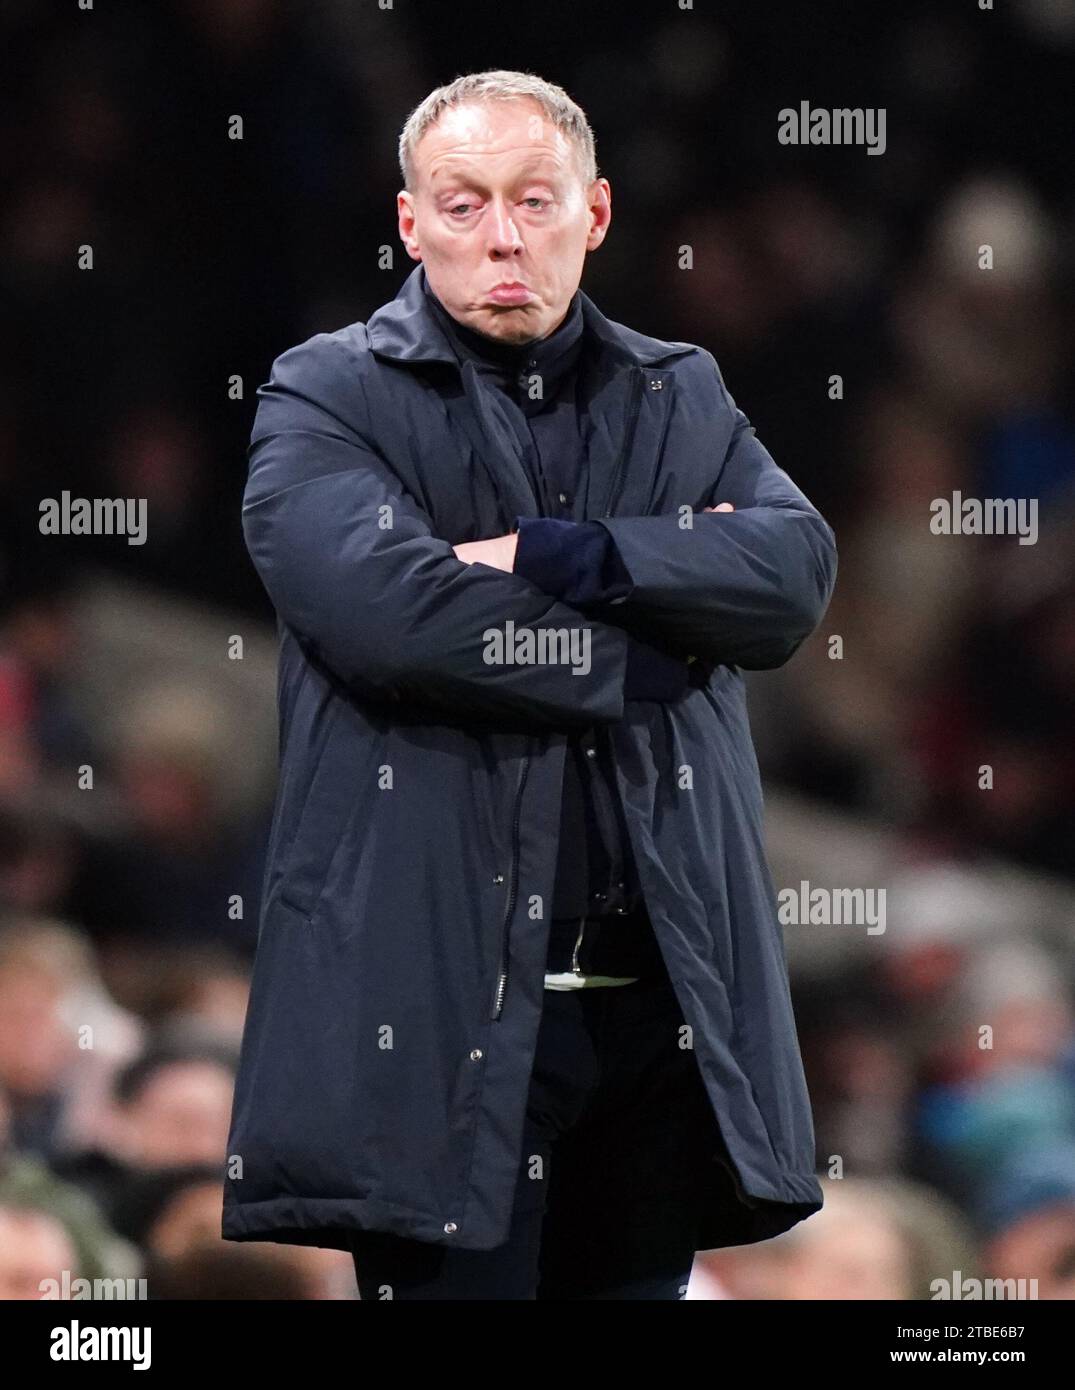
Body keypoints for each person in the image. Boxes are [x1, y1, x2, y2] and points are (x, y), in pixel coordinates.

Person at [221, 69, 838, 1300]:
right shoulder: (324, 391)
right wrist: (655, 643)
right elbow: (397, 620)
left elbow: (789, 576)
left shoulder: (683, 387)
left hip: (661, 1014)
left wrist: (566, 555)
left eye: (532, 200)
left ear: (594, 215)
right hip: (441, 1013)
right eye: (461, 204)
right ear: (410, 224)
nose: (500, 235)